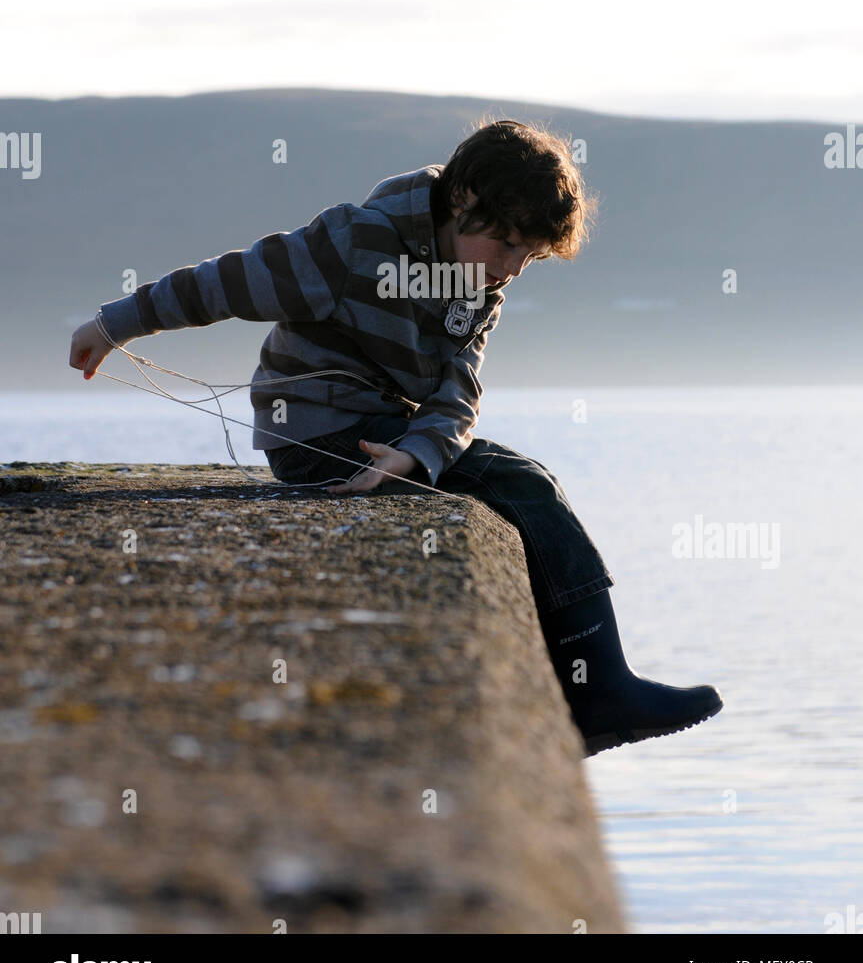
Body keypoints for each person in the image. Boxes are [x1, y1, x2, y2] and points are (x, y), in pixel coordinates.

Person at [69, 117, 722, 756]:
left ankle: (583, 685)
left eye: (531, 254)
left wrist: (418, 452)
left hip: (386, 435)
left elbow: (457, 389)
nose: (516, 267)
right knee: (520, 484)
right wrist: (113, 324)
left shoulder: (477, 279)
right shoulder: (353, 243)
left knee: (526, 484)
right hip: (318, 433)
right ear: (464, 201)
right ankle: (602, 693)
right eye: (508, 244)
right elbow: (226, 282)